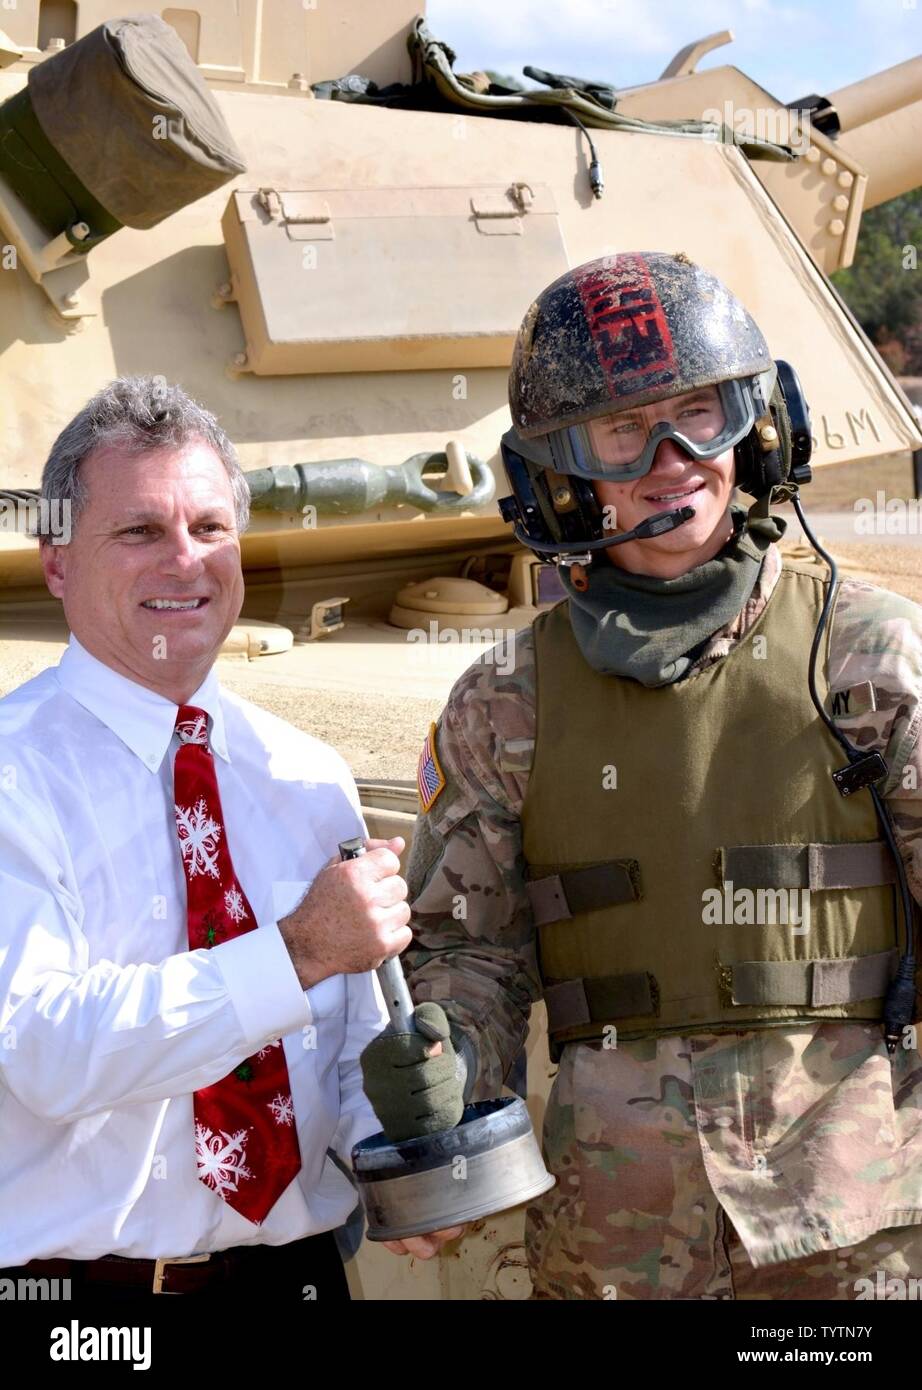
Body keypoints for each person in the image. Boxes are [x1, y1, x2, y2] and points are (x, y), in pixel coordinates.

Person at [361, 253, 922, 1300]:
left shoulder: (871, 657)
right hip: (610, 1242)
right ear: (564, 469)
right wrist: (444, 1074)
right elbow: (469, 955)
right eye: (627, 431)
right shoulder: (505, 698)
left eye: (698, 414)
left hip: (847, 1234)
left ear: (756, 426)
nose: (675, 459)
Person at [0, 376, 457, 1300]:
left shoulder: (304, 773)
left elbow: (347, 1038)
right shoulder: (14, 778)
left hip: (294, 1279)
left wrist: (396, 1149)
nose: (185, 562)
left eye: (210, 529)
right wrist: (294, 953)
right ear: (57, 563)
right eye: (139, 532)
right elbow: (42, 1050)